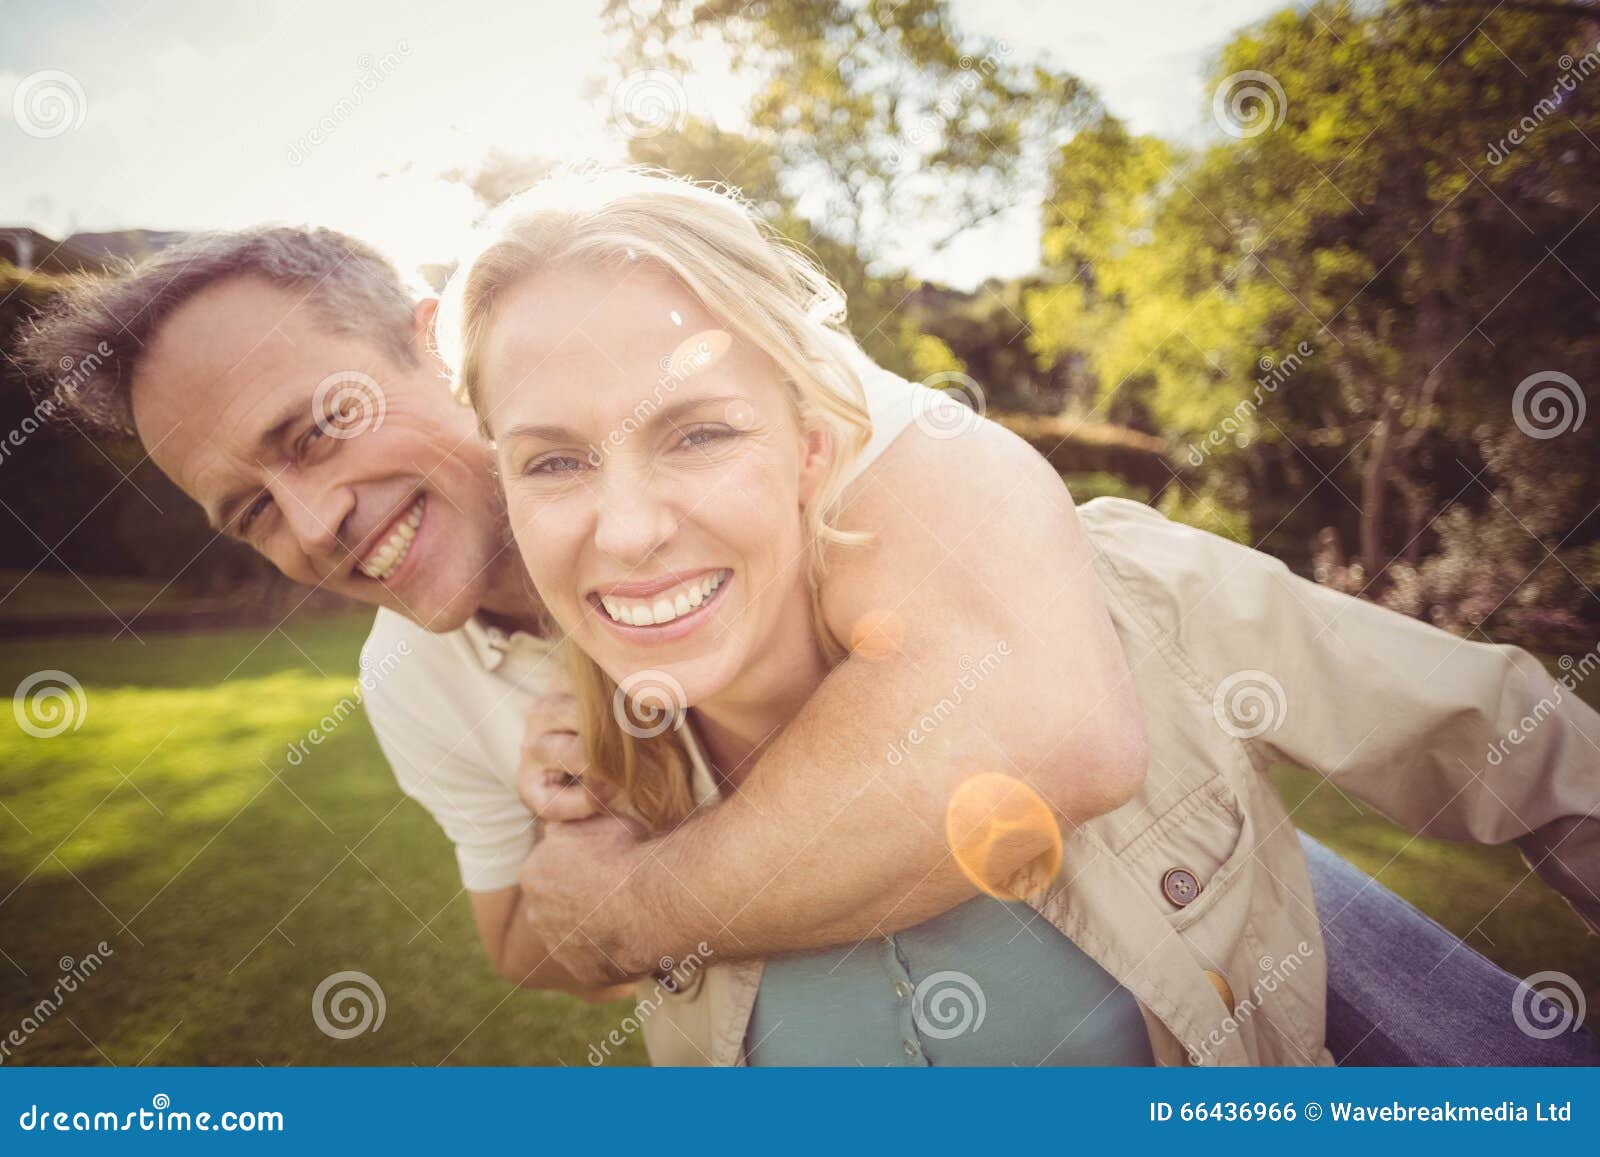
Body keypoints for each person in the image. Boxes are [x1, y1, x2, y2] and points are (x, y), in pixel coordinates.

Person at [17, 175, 1600, 1065]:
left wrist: (641, 906)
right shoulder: (423, 681)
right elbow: (521, 933)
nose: (312, 530)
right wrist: (592, 864)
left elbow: (1061, 727)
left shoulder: (856, 426)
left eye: (312, 435)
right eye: (248, 511)